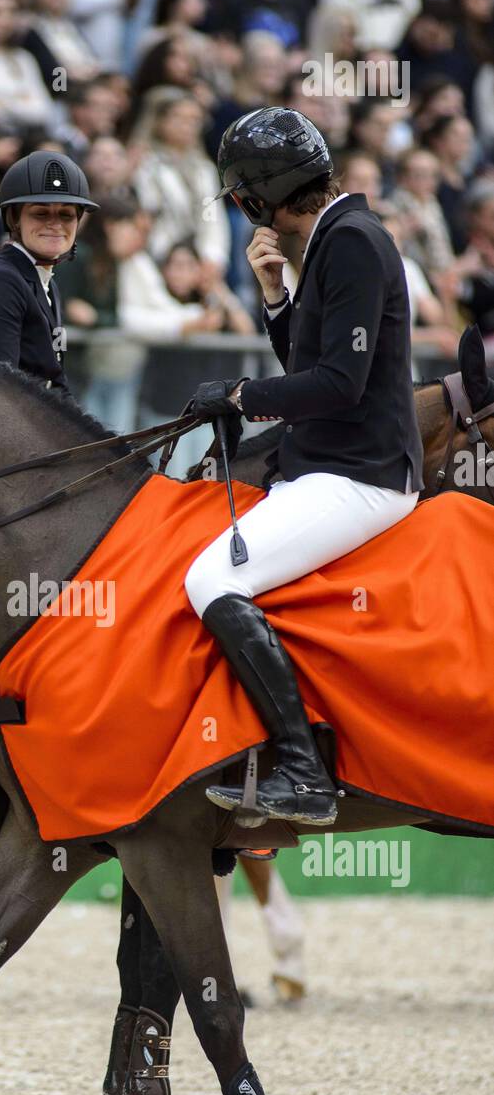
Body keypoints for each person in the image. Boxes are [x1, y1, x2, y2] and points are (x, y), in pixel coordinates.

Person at [184, 107, 424, 827]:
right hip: (327, 463)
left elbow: (338, 386)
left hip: (359, 475)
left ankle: (303, 772)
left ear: (257, 196)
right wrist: (274, 294)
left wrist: (237, 394)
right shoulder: (333, 239)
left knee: (210, 577)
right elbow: (311, 366)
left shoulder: (351, 242)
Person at [0, 148, 97, 398]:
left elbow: (55, 379)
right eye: (40, 213)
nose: (55, 224)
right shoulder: (0, 284)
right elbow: (0, 391)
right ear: (14, 219)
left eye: (66, 215)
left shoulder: (46, 282)